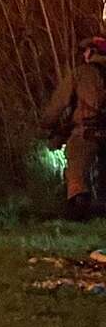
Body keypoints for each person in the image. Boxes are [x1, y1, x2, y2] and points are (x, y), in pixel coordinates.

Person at [40, 35, 106, 220]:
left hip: (88, 133)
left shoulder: (81, 73)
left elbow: (58, 104)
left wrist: (46, 124)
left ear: (91, 53)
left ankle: (79, 210)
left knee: (76, 170)